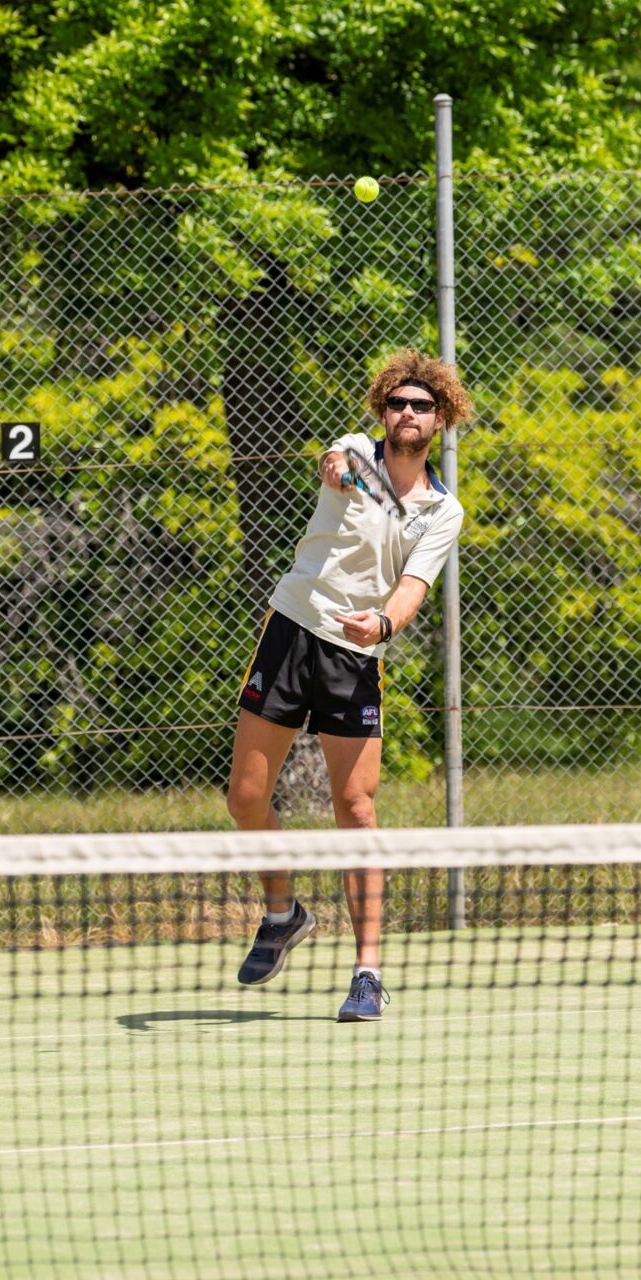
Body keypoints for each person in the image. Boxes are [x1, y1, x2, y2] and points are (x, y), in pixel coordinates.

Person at [225, 350, 471, 1022]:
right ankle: (283, 914)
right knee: (245, 798)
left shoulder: (443, 511)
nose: (408, 413)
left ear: (441, 418)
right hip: (290, 629)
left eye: (422, 405)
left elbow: (414, 586)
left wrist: (384, 623)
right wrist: (337, 469)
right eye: (398, 402)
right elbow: (331, 463)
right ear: (383, 411)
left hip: (355, 655)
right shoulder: (356, 450)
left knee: (356, 809)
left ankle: (367, 973)